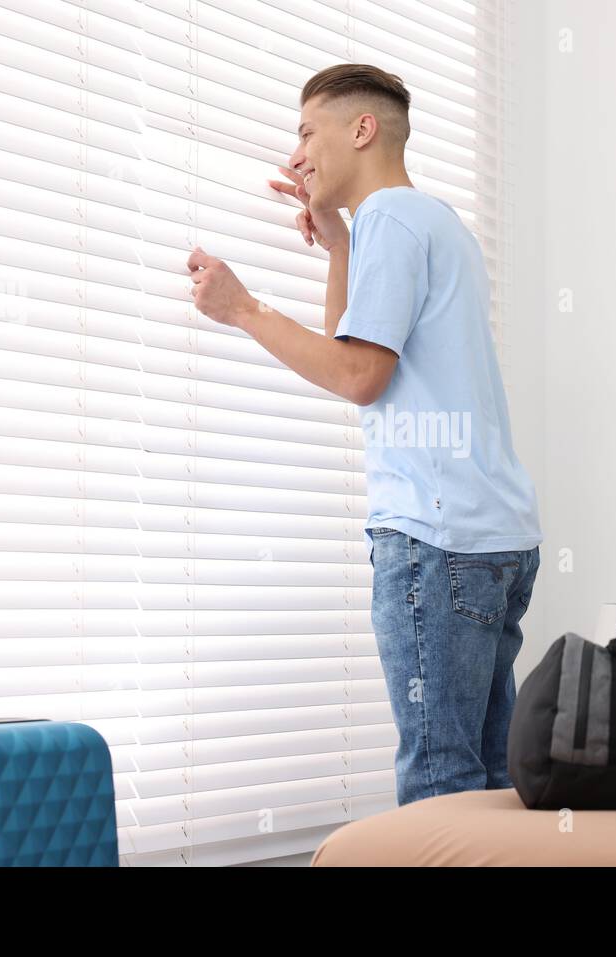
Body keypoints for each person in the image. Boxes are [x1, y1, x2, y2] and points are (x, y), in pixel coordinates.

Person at [188, 63, 543, 806]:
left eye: (305, 131)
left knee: (440, 783)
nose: (296, 155)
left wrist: (245, 309)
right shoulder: (431, 221)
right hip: (494, 541)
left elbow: (357, 378)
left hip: (434, 544)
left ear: (362, 129)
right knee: (493, 783)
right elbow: (352, 352)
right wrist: (340, 248)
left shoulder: (392, 220)